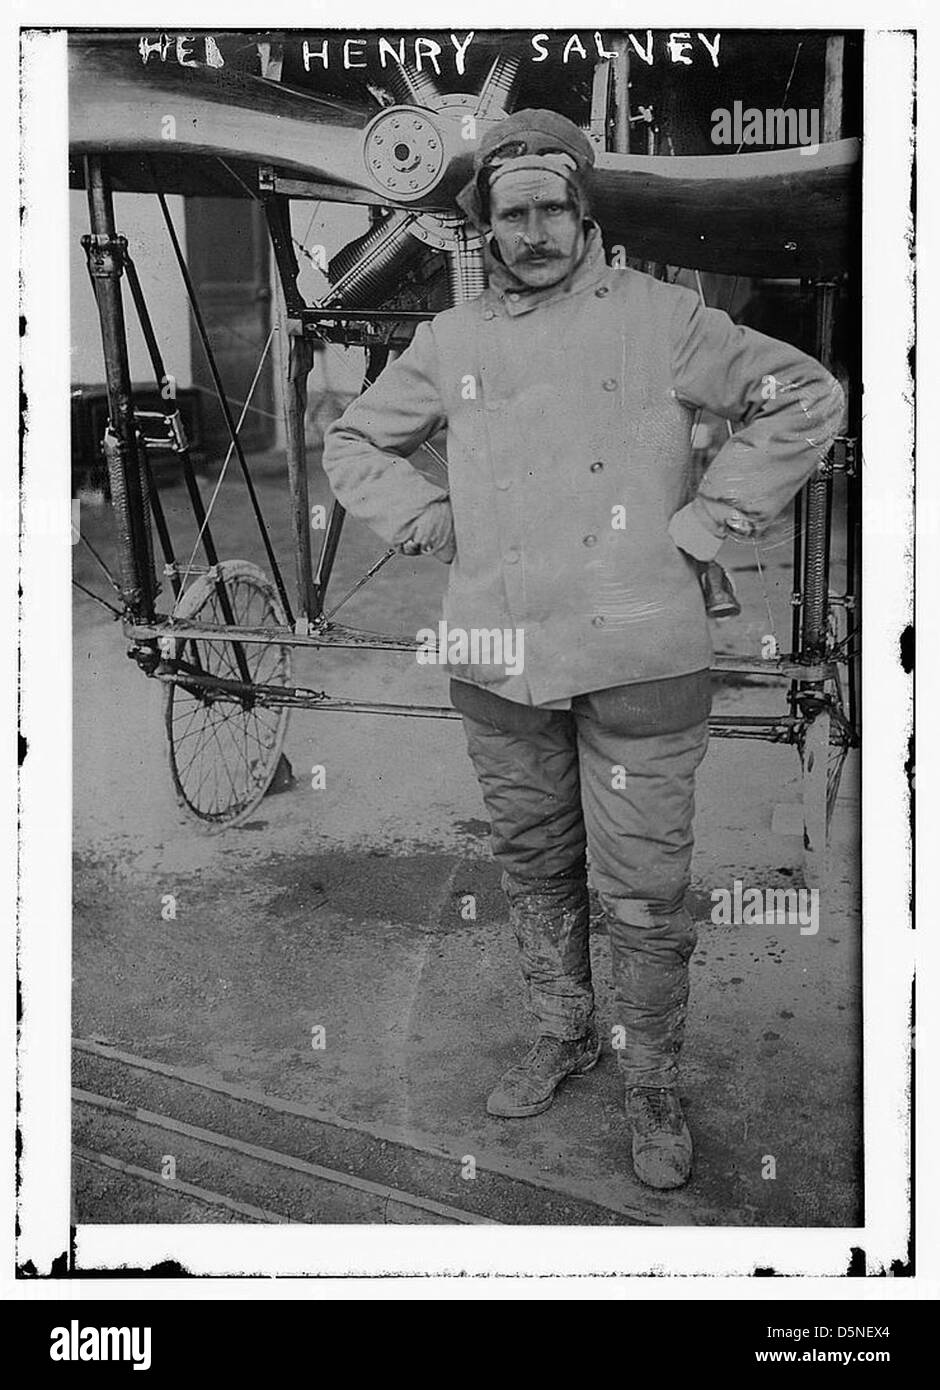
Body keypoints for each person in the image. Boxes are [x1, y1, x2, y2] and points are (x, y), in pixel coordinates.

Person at [322, 109, 843, 1190]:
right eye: (512, 214)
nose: (535, 230)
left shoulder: (666, 318)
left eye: (554, 207)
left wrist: (709, 522)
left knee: (645, 887)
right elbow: (353, 439)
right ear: (486, 227)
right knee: (536, 866)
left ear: (584, 211)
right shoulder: (450, 341)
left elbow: (804, 394)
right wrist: (423, 517)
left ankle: (651, 1075)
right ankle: (561, 1030)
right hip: (498, 659)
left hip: (642, 655)